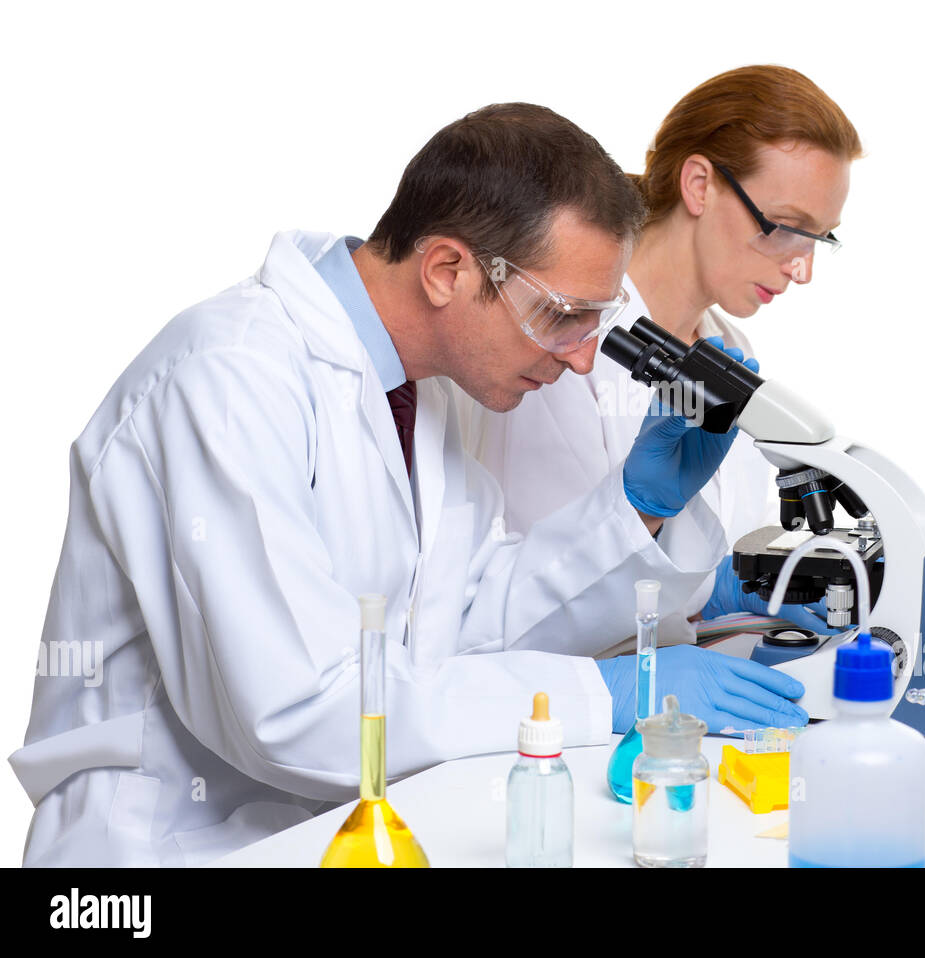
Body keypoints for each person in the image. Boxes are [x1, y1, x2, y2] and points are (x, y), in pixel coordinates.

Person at [9, 103, 807, 867]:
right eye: (564, 315)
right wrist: (599, 697)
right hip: (165, 848)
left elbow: (465, 624)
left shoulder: (428, 391)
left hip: (335, 831)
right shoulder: (227, 378)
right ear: (447, 269)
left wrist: (638, 507)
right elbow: (298, 709)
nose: (581, 357)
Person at [457, 66, 925, 648]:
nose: (802, 268)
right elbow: (528, 605)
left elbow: (732, 556)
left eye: (818, 238)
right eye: (786, 227)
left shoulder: (727, 344)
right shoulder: (562, 345)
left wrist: (891, 556)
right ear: (699, 184)